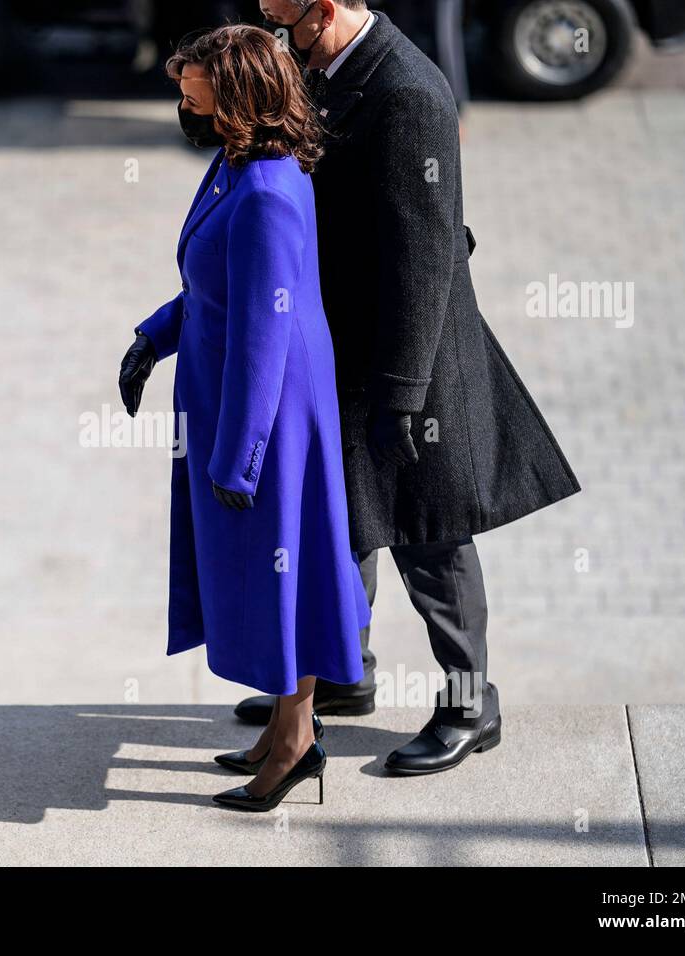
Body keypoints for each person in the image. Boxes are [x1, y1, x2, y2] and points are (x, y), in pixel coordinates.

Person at [242, 0, 581, 774]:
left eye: (282, 18)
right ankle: (341, 673)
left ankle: (471, 704)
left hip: (410, 366)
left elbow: (428, 255)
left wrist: (402, 392)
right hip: (352, 351)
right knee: (346, 521)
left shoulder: (406, 91)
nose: (274, 33)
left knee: (432, 538)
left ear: (324, 11)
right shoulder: (332, 68)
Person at [119, 24, 371, 812]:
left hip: (262, 411)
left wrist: (241, 458)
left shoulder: (265, 193)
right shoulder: (234, 166)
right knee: (269, 571)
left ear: (236, 99)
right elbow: (212, 289)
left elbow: (264, 335)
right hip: (225, 391)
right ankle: (286, 729)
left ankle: (295, 741)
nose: (184, 106)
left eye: (194, 94)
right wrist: (152, 338)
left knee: (279, 572)